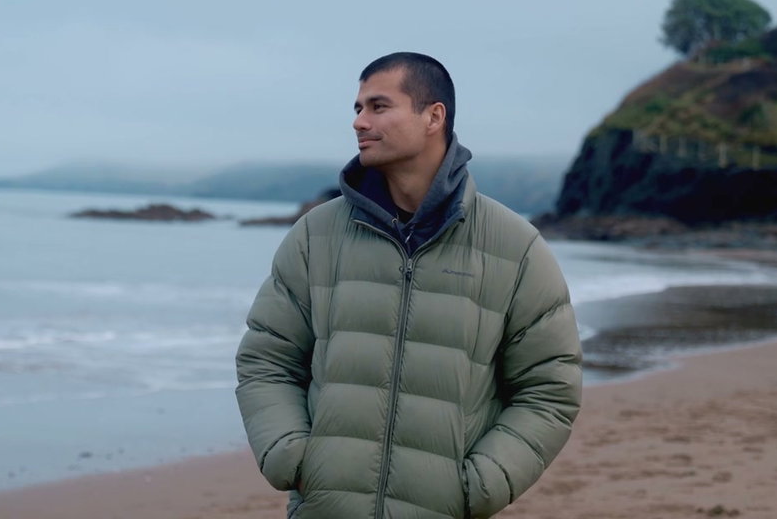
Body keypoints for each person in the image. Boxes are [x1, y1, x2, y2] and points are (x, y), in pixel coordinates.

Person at [235, 52, 582, 518]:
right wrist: (289, 455)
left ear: (433, 116)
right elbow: (267, 358)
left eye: (378, 106)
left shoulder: (513, 247)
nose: (360, 122)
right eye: (357, 109)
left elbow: (549, 389)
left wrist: (478, 486)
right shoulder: (317, 235)